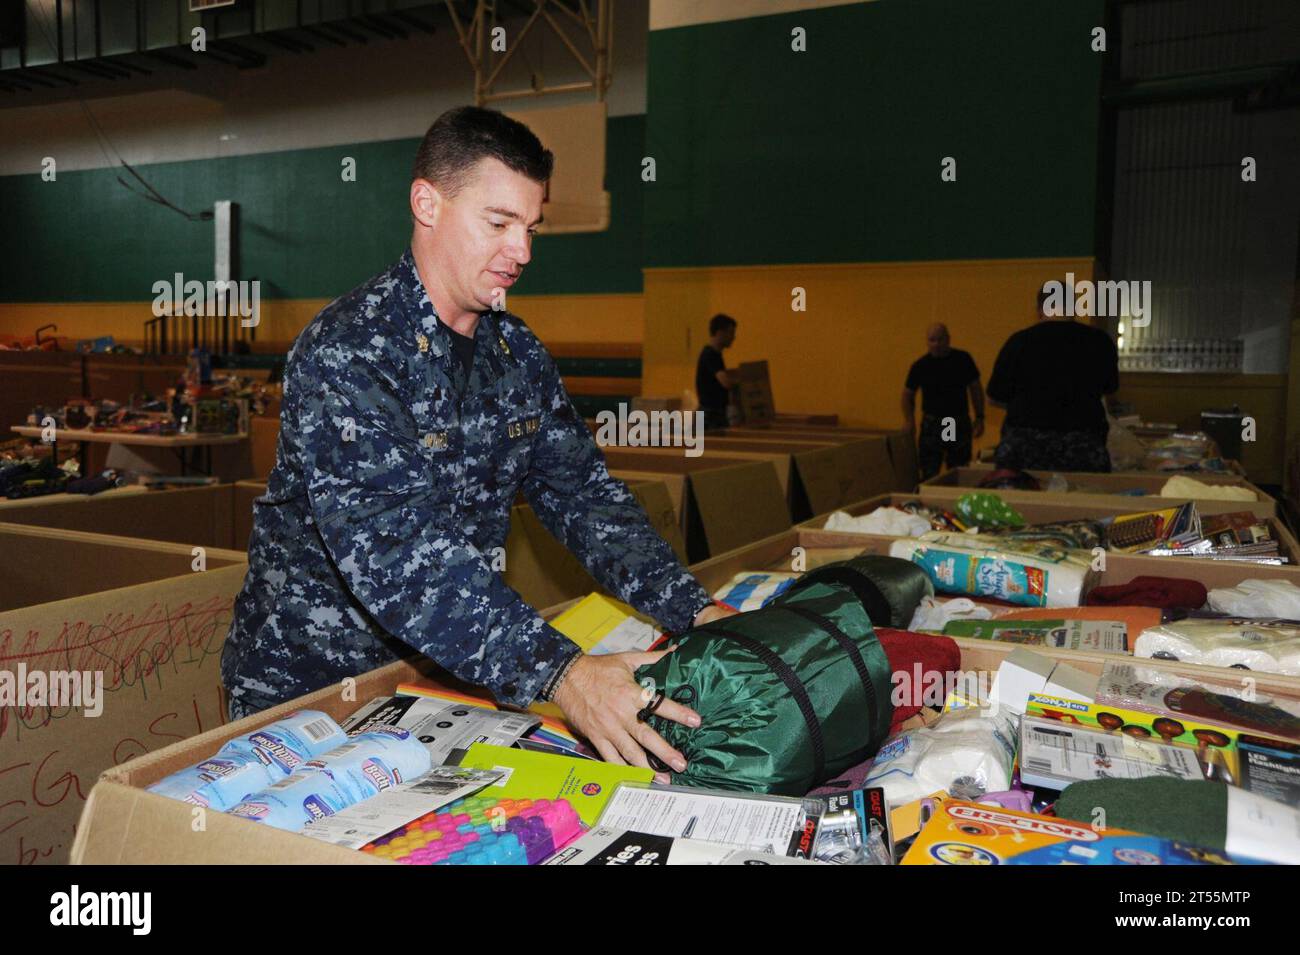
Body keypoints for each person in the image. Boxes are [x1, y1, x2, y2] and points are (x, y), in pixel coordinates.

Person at [222, 106, 735, 778]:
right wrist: (563, 674)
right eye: (498, 223)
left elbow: (585, 498)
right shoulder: (348, 350)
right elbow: (400, 555)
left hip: (440, 678)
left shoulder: (515, 353)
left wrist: (695, 608)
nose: (522, 251)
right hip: (309, 699)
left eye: (530, 226)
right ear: (426, 204)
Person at [986, 287, 1120, 472]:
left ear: (1039, 309)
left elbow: (994, 397)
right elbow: (1110, 387)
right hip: (1082, 446)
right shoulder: (1099, 341)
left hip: (1025, 447)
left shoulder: (1019, 342)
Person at [901, 323, 984, 480]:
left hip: (954, 421)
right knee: (929, 471)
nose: (937, 344)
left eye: (940, 339)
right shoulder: (921, 365)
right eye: (932, 340)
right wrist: (909, 421)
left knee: (958, 469)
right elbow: (907, 395)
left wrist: (980, 417)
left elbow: (975, 389)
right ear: (927, 342)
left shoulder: (962, 359)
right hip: (933, 423)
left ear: (948, 339)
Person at [695, 314, 737, 429]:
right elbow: (725, 382)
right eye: (731, 332)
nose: (733, 337)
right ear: (720, 333)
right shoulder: (710, 355)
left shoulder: (715, 355)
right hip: (709, 416)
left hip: (713, 413)